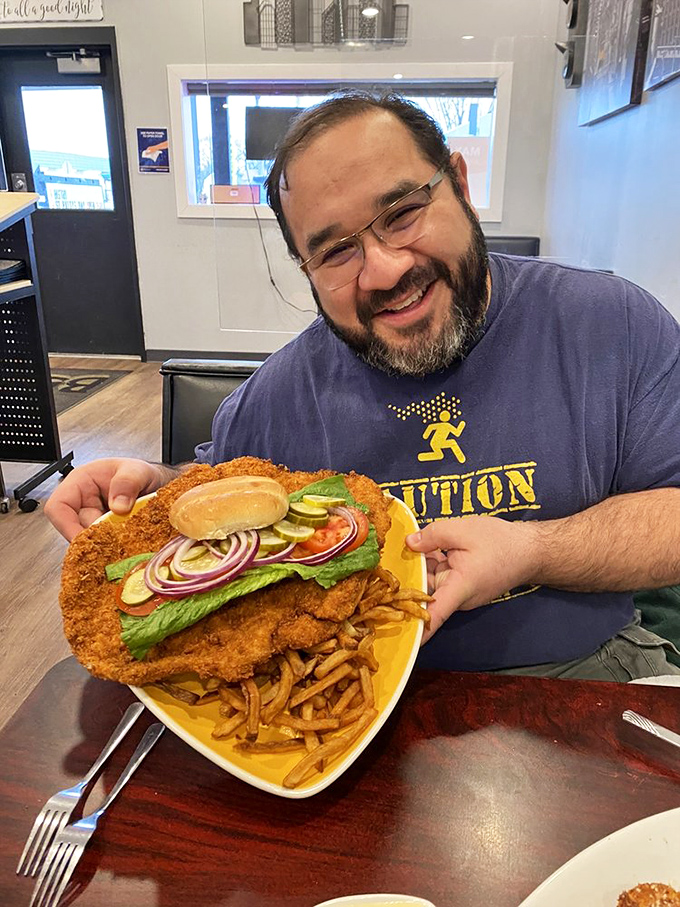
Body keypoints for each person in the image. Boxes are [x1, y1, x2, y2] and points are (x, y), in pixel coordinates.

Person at [45, 91, 680, 681]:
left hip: (585, 672)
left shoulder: (608, 324)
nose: (383, 270)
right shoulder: (276, 397)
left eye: (402, 214)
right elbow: (227, 501)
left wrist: (535, 548)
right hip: (342, 696)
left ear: (459, 185)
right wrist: (152, 488)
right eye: (335, 251)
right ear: (305, 268)